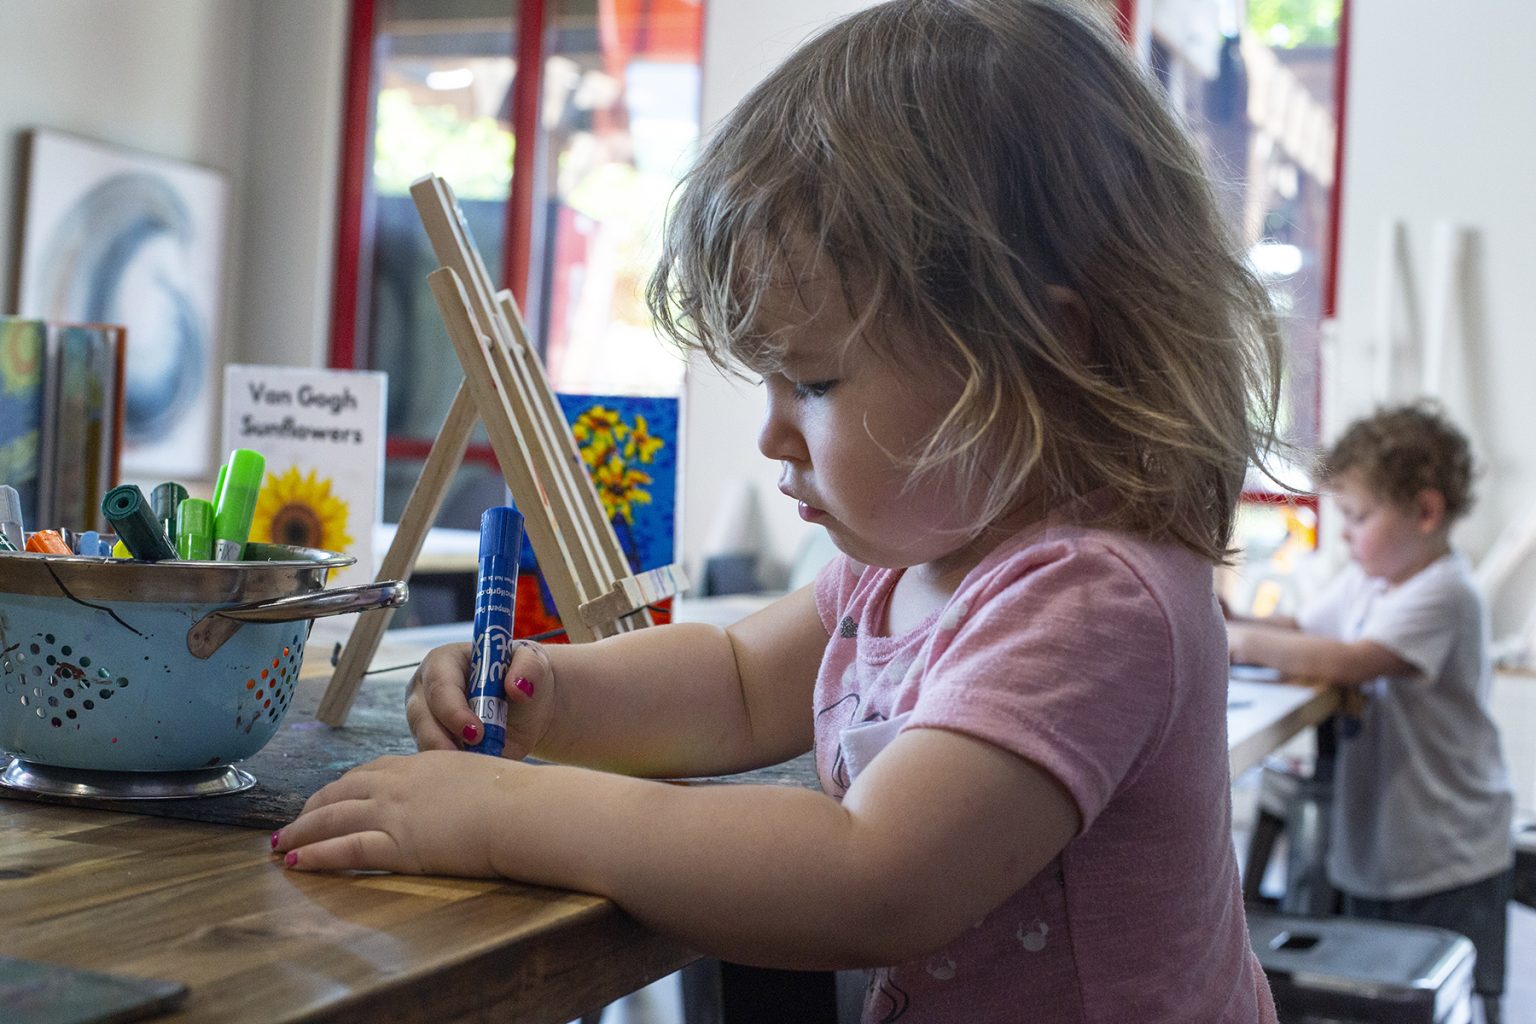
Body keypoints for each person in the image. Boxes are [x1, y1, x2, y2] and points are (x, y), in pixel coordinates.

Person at [274, 1, 1286, 1018]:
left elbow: (873, 877)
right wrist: (550, 692)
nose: (772, 436)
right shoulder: (908, 561)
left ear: (1040, 361)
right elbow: (738, 681)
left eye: (814, 383)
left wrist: (503, 817)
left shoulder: (1093, 597)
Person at [1227, 402, 1515, 1023]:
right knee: (1371, 988)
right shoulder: (1372, 578)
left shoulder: (1444, 591)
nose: (1347, 535)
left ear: (1425, 512)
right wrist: (1231, 618)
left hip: (1447, 852)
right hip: (1382, 845)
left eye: (1358, 517)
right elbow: (1302, 627)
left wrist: (1236, 641)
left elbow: (1351, 660)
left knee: (1438, 989)